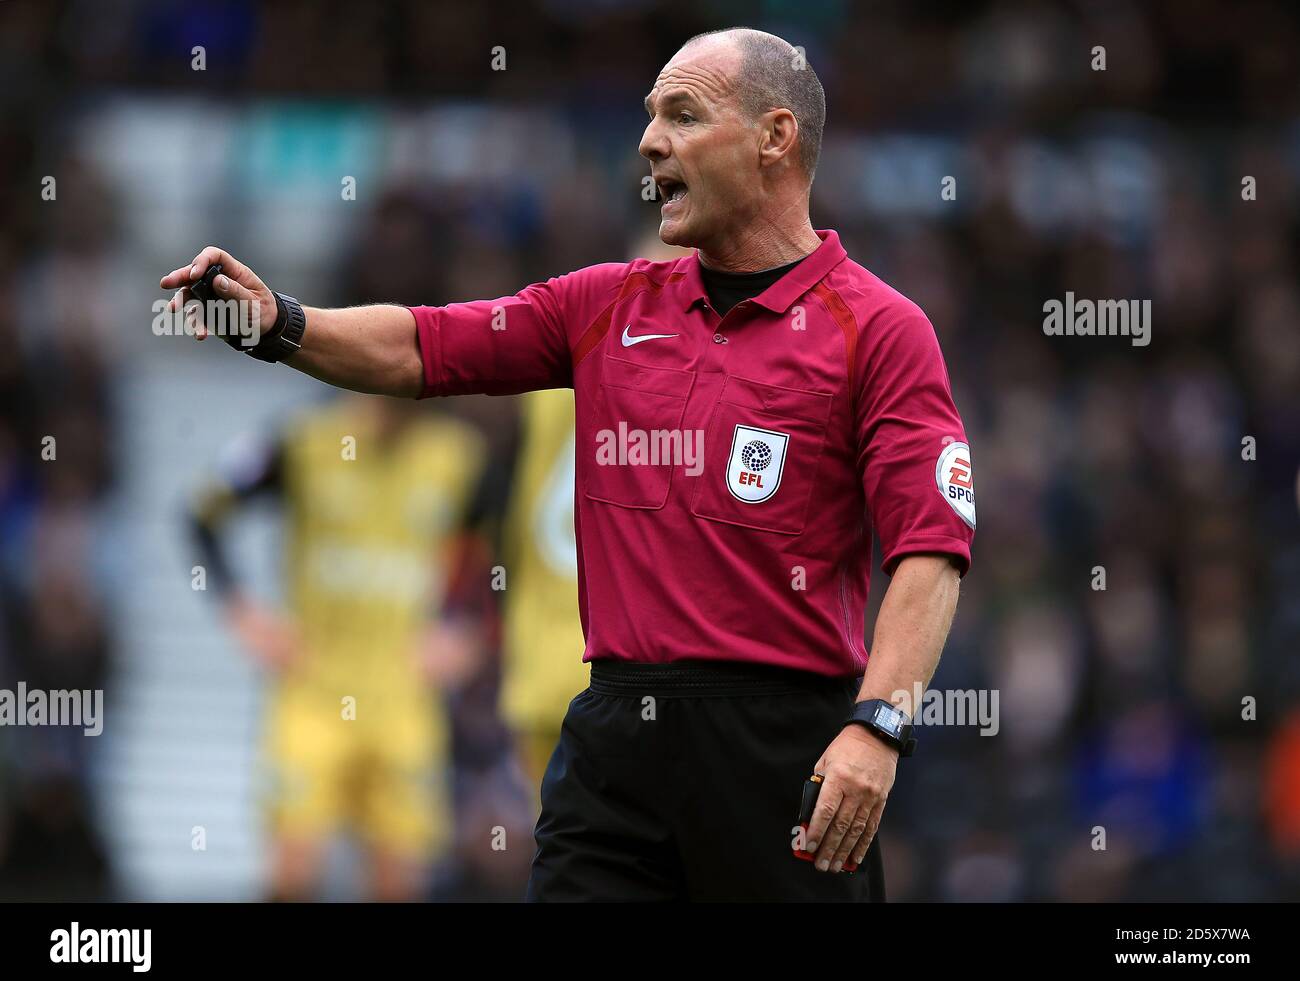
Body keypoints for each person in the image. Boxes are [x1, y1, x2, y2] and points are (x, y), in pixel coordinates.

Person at [163, 26, 975, 902]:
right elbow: (425, 346)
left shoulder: (881, 330)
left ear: (776, 137)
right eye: (650, 115)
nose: (649, 140)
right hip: (613, 740)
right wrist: (283, 323)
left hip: (784, 745)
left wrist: (880, 725)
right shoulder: (605, 305)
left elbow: (929, 547)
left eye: (683, 114)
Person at [188, 394, 485, 900]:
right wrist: (242, 613)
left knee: (398, 884)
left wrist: (471, 632)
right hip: (312, 694)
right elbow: (202, 512)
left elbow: (504, 547)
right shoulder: (301, 439)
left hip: (403, 699)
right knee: (292, 877)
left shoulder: (457, 456)